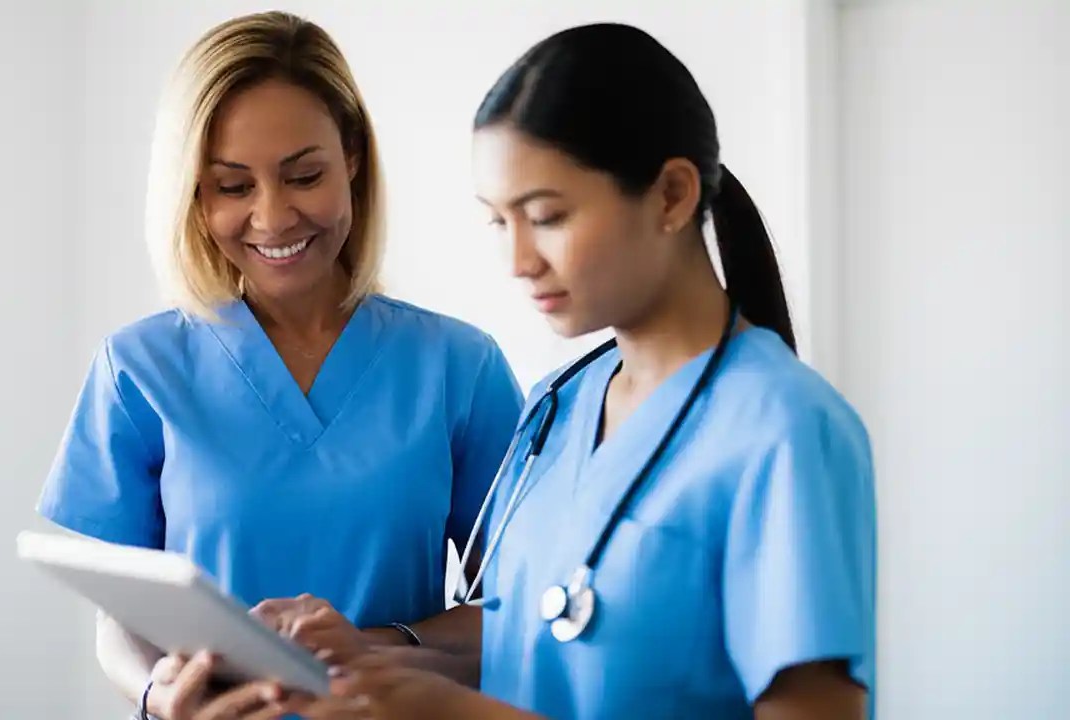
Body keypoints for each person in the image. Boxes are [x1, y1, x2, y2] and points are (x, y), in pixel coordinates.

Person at [277, 21, 877, 720]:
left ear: (672, 196)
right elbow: (524, 642)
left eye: (548, 216)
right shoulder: (555, 410)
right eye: (501, 223)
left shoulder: (785, 431)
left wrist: (457, 715)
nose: (518, 261)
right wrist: (360, 659)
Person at [34, 11, 523, 720]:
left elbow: (515, 613)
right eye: (233, 187)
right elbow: (120, 619)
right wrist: (156, 691)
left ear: (352, 155)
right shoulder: (137, 369)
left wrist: (371, 649)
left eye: (303, 175)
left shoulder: (459, 368)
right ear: (194, 196)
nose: (273, 217)